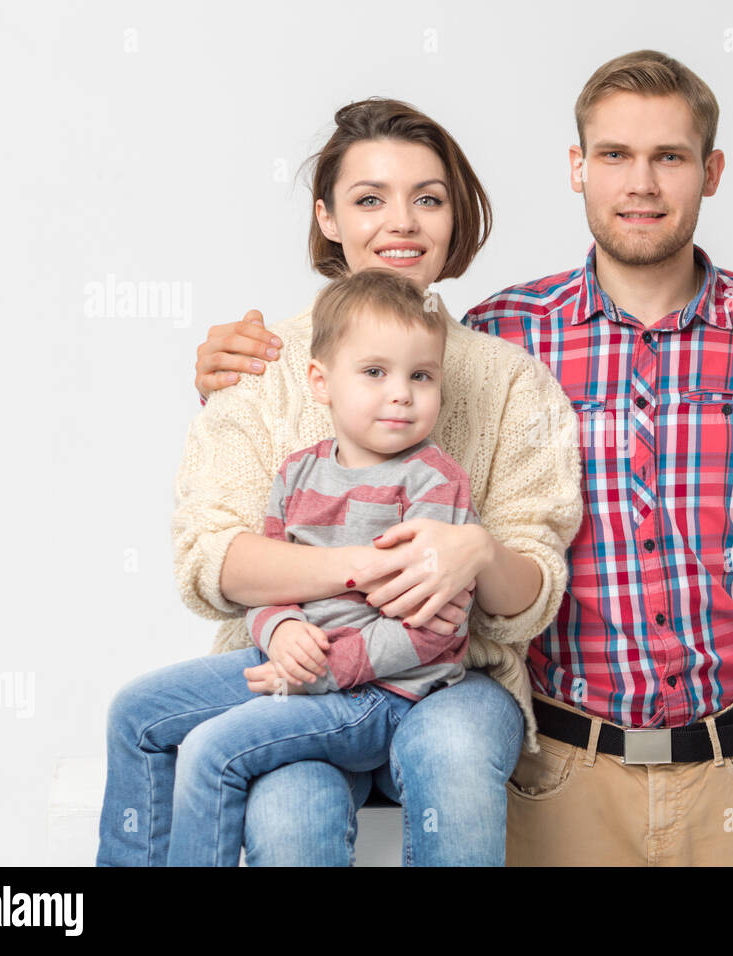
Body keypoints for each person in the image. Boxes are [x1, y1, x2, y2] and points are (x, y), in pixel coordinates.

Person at [199, 51, 733, 866]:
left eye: (668, 157)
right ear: (578, 168)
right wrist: (244, 368)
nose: (640, 184)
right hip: (560, 781)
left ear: (709, 172)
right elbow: (369, 418)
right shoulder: (498, 341)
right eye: (614, 156)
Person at [98, 99, 583, 867]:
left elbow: (532, 589)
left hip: (452, 681)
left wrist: (478, 552)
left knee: (454, 754)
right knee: (290, 810)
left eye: (428, 198)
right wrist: (345, 581)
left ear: (456, 218)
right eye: (369, 199)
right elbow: (210, 557)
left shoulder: (508, 378)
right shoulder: (260, 364)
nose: (402, 223)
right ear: (327, 217)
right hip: (286, 667)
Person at [163, 268, 481, 865]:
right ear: (320, 381)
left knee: (208, 750)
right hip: (296, 669)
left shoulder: (436, 483)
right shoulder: (296, 474)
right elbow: (266, 583)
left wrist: (322, 670)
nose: (401, 393)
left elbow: (434, 629)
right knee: (135, 712)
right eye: (375, 373)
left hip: (378, 693)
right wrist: (279, 629)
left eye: (422, 376)